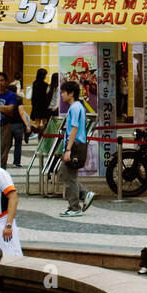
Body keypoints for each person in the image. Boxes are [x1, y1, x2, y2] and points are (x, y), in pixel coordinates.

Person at [58, 80, 95, 217]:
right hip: (75, 145)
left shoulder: (75, 108)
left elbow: (74, 128)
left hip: (74, 146)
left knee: (69, 177)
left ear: (71, 93)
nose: (62, 95)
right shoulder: (77, 107)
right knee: (65, 174)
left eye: (63, 92)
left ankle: (74, 207)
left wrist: (68, 149)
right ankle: (85, 194)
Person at [30, 68, 51, 133]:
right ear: (43, 75)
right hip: (44, 105)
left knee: (37, 123)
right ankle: (43, 135)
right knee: (45, 123)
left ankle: (31, 131)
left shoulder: (34, 83)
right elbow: (47, 96)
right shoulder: (46, 85)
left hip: (36, 105)